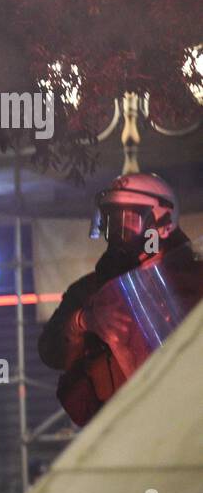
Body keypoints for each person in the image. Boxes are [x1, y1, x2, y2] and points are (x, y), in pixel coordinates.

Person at [39, 173, 198, 425]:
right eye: (111, 221)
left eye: (128, 221)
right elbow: (50, 351)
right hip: (121, 429)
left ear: (163, 224)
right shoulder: (89, 290)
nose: (117, 233)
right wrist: (82, 321)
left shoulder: (193, 279)